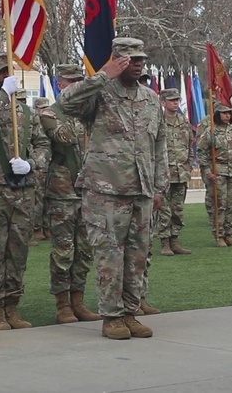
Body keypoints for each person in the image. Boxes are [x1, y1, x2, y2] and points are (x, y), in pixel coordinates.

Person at [56, 37, 167, 340]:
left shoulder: (150, 98)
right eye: (131, 59)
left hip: (141, 190)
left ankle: (130, 312)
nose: (138, 64)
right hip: (105, 190)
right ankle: (111, 317)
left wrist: (159, 187)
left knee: (137, 257)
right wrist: (102, 75)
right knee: (109, 257)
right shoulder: (99, 94)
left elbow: (159, 144)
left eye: (141, 59)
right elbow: (65, 103)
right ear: (117, 61)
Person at [0, 54, 51, 331]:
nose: (4, 75)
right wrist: (3, 96)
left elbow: (42, 145)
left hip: (23, 188)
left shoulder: (26, 113)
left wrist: (31, 163)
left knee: (18, 251)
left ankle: (12, 305)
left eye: (7, 71)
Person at [39, 65, 103, 324]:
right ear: (59, 84)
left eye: (80, 81)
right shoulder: (50, 114)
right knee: (64, 251)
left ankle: (79, 300)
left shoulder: (91, 114)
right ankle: (63, 304)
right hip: (62, 192)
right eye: (70, 82)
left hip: (88, 191)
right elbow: (65, 137)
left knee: (85, 251)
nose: (76, 86)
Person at [198, 101, 232, 247]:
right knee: (219, 205)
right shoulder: (211, 131)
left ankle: (229, 234)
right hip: (218, 172)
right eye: (224, 113)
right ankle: (219, 235)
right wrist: (207, 171)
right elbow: (202, 152)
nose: (227, 116)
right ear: (217, 115)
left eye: (229, 113)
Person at [157, 88, 194, 254]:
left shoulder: (183, 121)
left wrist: (189, 164)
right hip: (164, 173)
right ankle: (164, 242)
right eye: (172, 100)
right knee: (164, 210)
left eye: (177, 100)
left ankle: (175, 240)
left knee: (177, 209)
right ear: (163, 102)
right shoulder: (158, 121)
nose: (175, 103)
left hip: (181, 172)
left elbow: (190, 145)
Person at [30, 96, 53, 246]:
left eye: (46, 107)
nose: (44, 110)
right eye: (41, 108)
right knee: (37, 198)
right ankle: (36, 229)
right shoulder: (33, 123)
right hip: (38, 165)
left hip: (50, 164)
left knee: (47, 198)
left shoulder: (50, 122)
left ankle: (46, 226)